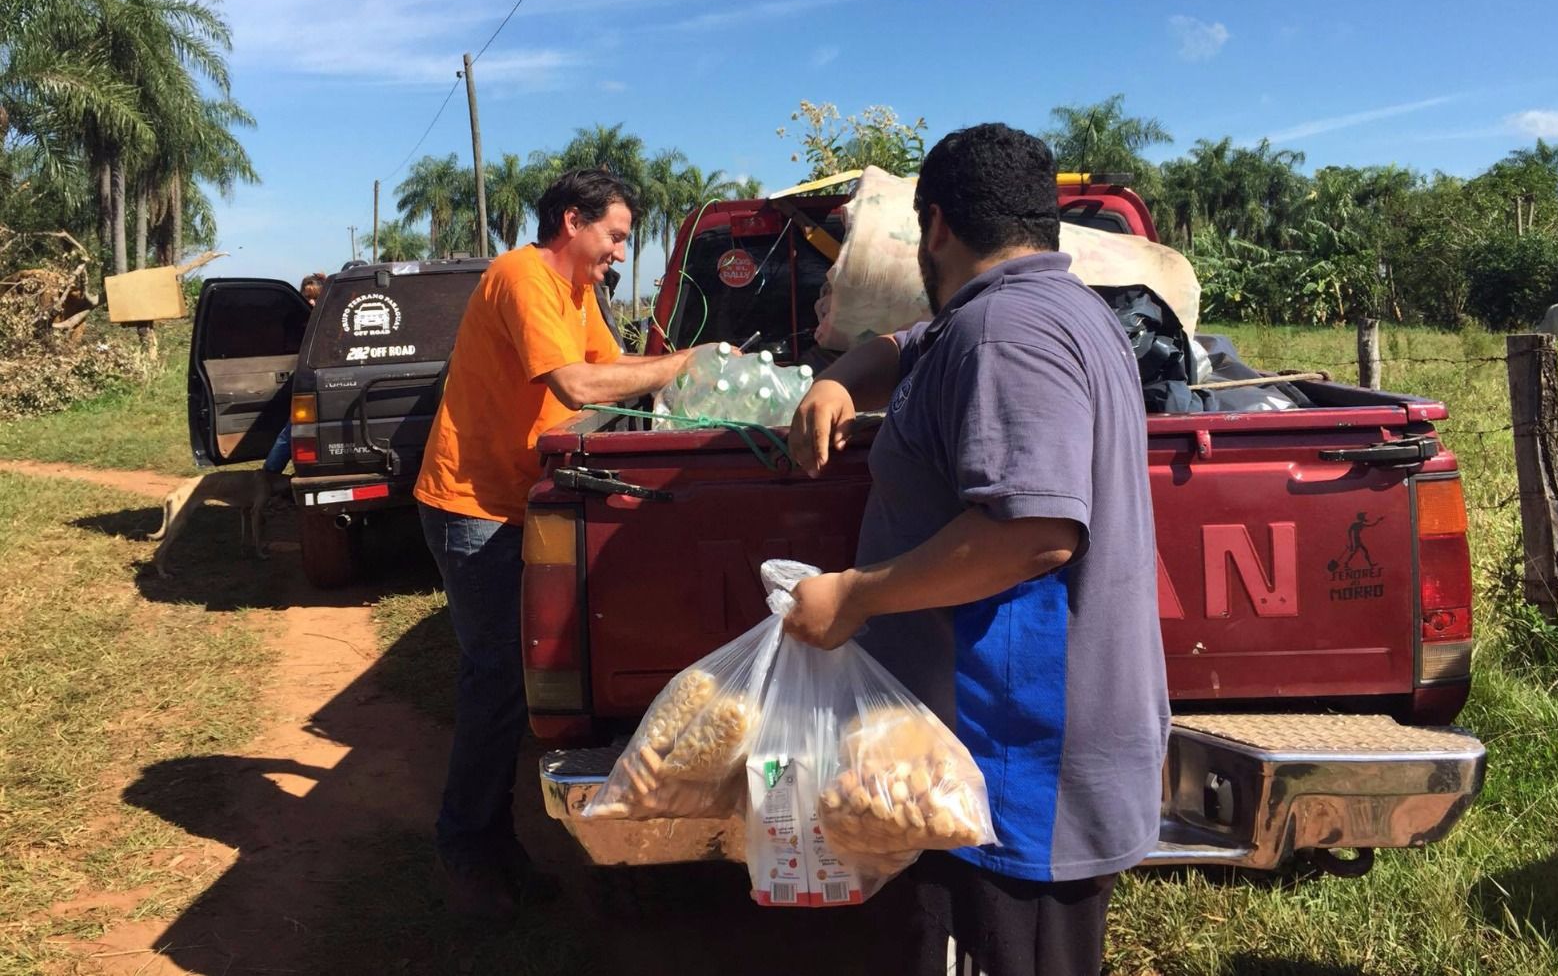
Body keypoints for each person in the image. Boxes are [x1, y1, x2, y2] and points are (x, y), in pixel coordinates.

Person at [784, 124, 1169, 976]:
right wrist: (839, 378)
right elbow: (911, 344)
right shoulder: (1041, 311)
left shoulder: (1005, 335)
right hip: (999, 762)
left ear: (936, 226)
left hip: (1012, 773)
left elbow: (1031, 533)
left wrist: (854, 596)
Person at [412, 168, 721, 923]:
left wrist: (697, 372)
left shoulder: (577, 290)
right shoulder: (523, 274)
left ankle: (492, 838)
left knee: (515, 680)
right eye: (615, 235)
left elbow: (614, 367)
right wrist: (691, 363)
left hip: (517, 501)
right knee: (497, 681)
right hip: (473, 505)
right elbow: (581, 386)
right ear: (573, 222)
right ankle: (469, 848)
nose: (620, 251)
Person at [263, 273, 326, 475]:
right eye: (307, 297)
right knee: (292, 430)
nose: (311, 302)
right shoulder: (296, 323)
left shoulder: (332, 319)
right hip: (307, 385)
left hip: (330, 384)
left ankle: (272, 473)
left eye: (316, 296)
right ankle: (270, 474)